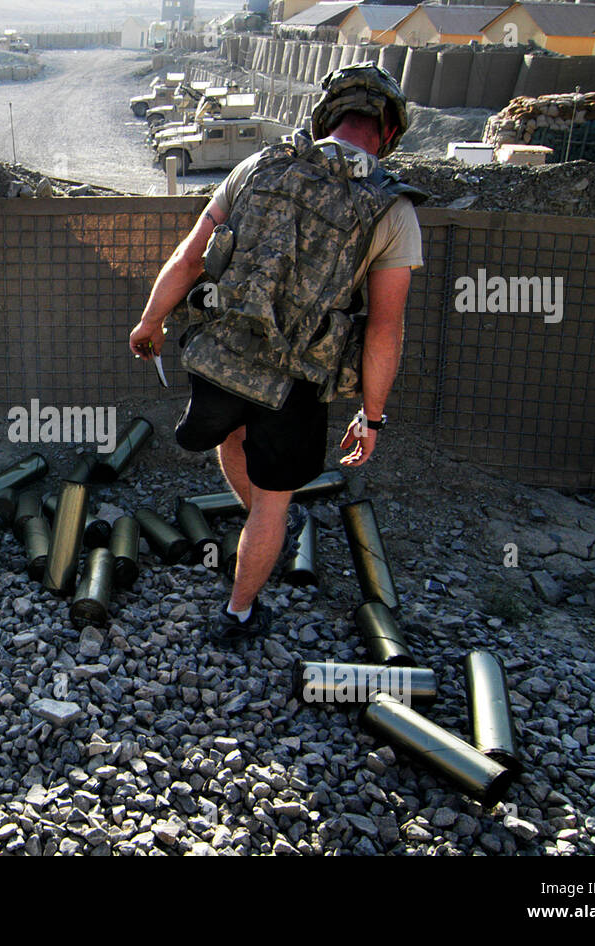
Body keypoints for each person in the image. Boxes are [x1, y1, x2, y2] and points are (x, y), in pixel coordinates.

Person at [128, 63, 426, 642]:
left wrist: (150, 321)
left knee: (235, 440)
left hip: (222, 360)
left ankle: (262, 531)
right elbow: (386, 328)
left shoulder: (257, 165)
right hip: (296, 384)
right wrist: (372, 415)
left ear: (327, 114)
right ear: (389, 132)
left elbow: (191, 258)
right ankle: (240, 612)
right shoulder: (393, 210)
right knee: (272, 503)